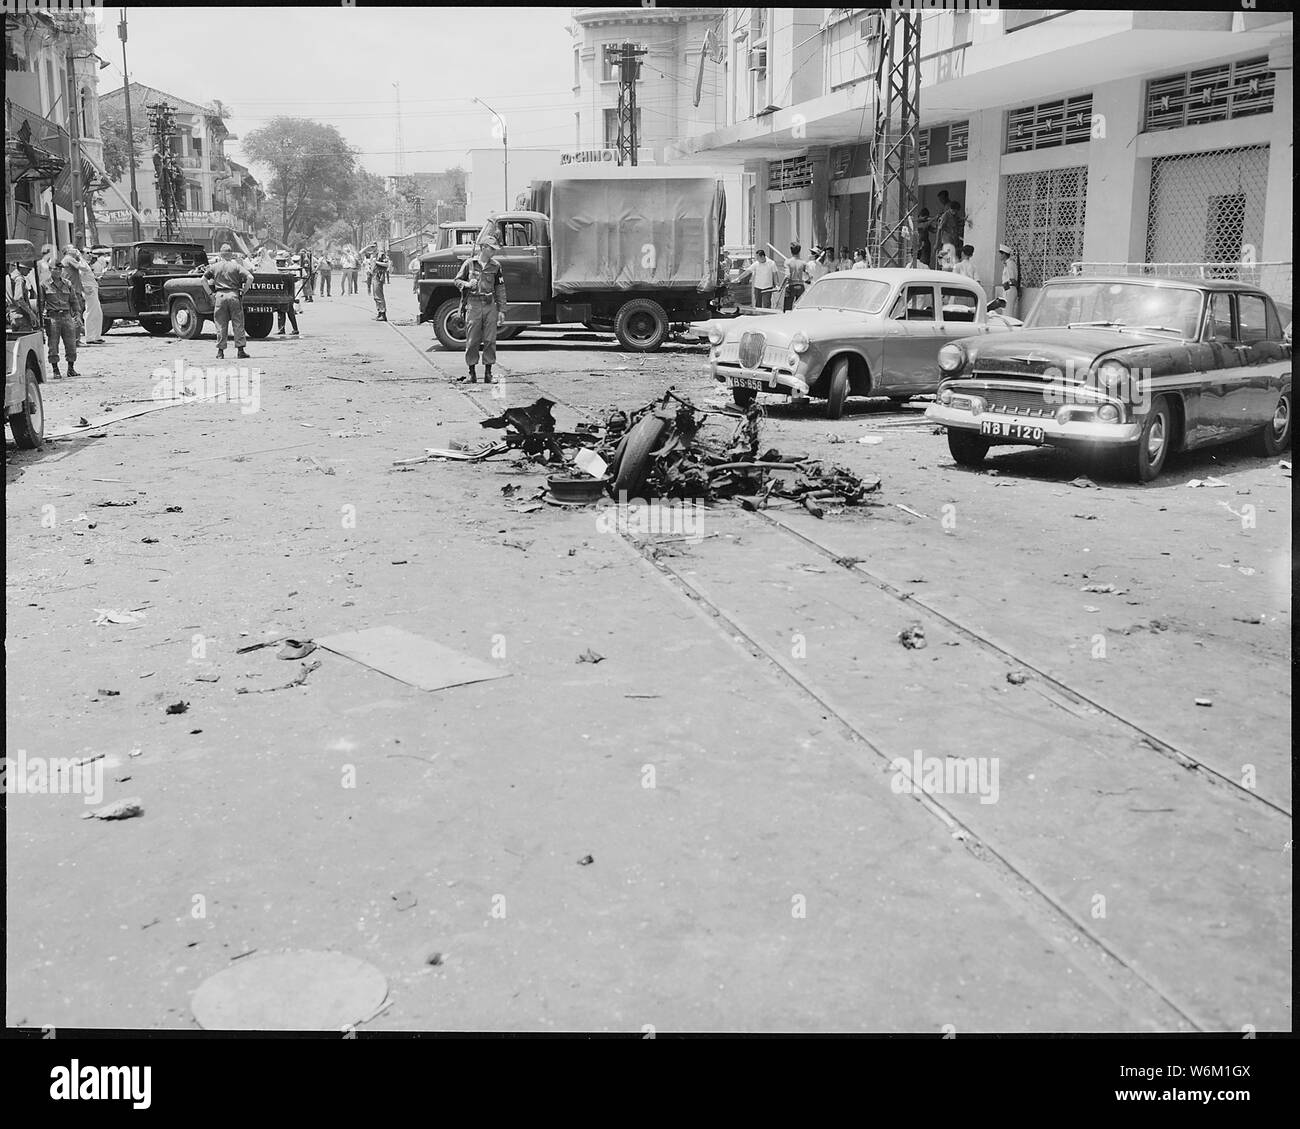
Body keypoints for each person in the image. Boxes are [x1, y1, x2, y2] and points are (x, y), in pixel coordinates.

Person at [454, 235, 507, 383]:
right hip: (473, 304)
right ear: (483, 247)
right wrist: (466, 284)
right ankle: (472, 373)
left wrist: (502, 310)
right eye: (491, 249)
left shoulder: (496, 266)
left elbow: (500, 288)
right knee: (472, 340)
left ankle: (488, 374)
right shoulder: (469, 264)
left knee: (490, 339)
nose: (494, 252)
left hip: (489, 304)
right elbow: (456, 280)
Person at [202, 243, 253, 360]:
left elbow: (203, 280)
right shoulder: (236, 266)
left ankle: (220, 352)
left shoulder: (215, 266)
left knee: (220, 324)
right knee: (238, 323)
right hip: (234, 295)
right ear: (231, 254)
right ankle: (240, 351)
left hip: (220, 296)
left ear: (220, 254)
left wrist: (211, 294)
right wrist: (244, 291)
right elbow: (250, 277)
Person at [44, 250, 85, 378]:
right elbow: (40, 303)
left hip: (67, 316)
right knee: (53, 345)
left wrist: (78, 315)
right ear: (50, 270)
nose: (58, 271)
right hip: (53, 317)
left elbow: (74, 301)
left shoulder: (67, 284)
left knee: (71, 344)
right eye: (55, 269)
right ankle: (55, 370)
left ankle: (71, 369)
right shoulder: (44, 285)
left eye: (60, 269)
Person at [68, 248, 104, 344]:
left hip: (93, 286)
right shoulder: (81, 263)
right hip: (89, 288)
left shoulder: (85, 263)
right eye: (87, 253)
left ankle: (96, 335)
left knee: (97, 312)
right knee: (91, 312)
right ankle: (90, 337)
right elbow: (80, 277)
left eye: (90, 253)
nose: (90, 254)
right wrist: (79, 256)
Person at [782, 242, 808, 312]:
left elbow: (787, 276)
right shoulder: (803, 262)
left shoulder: (788, 262)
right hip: (800, 286)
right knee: (799, 309)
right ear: (800, 251)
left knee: (787, 309)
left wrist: (781, 286)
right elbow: (809, 276)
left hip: (791, 286)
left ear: (791, 251)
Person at [998, 243, 1021, 319]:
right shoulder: (1006, 264)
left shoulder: (1010, 264)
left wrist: (1017, 289)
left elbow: (1012, 279)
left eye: (1001, 254)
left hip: (1010, 288)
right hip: (1007, 289)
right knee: (1005, 312)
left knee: (1008, 313)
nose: (1000, 256)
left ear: (1004, 254)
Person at [369, 250, 390, 321]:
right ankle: (379, 312)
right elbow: (361, 252)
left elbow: (387, 265)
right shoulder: (373, 256)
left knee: (379, 295)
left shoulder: (382, 257)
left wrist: (376, 262)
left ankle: (383, 313)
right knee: (375, 296)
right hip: (374, 276)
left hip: (379, 276)